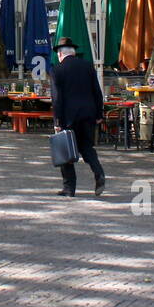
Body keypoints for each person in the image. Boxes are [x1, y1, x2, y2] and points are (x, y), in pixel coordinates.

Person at [50, 36, 106, 197]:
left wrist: (57, 121)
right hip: (88, 114)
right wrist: (99, 113)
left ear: (60, 54)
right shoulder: (87, 66)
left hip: (68, 116)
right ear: (73, 52)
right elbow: (97, 91)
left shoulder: (57, 70)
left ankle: (69, 188)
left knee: (65, 150)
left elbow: (57, 98)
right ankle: (99, 172)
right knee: (87, 147)